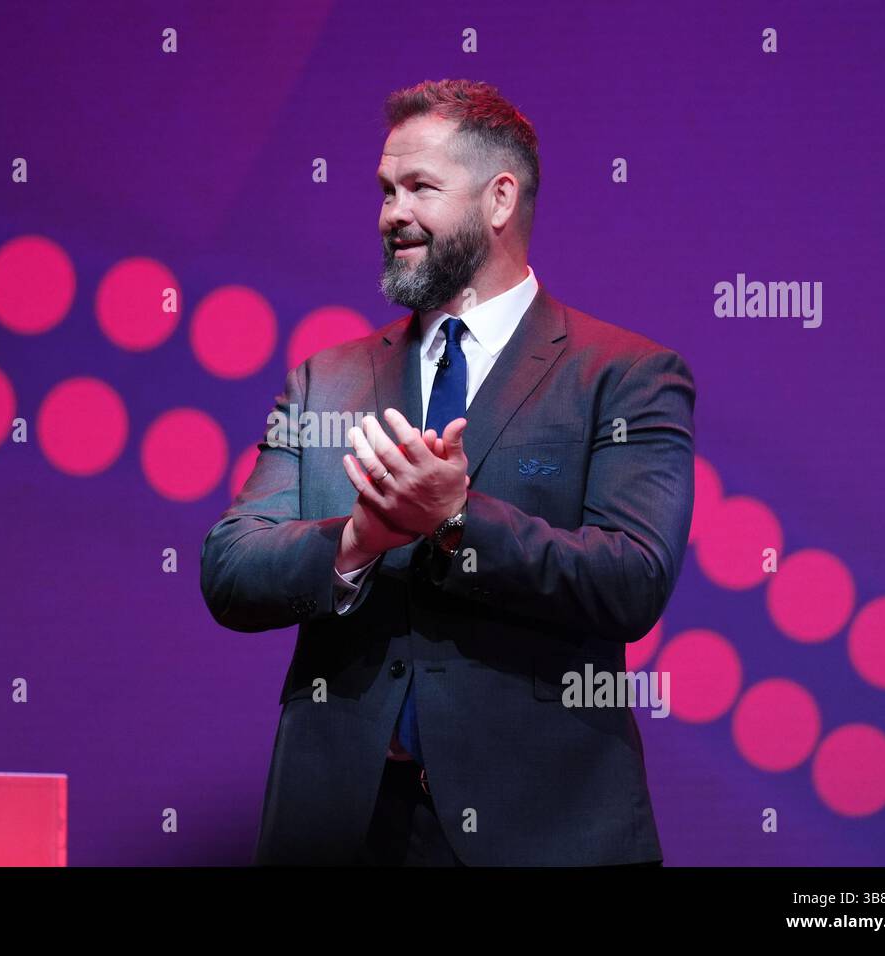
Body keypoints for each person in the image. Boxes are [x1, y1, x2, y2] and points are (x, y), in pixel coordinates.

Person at [200, 78, 695, 866]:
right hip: (342, 833)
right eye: (385, 190)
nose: (391, 214)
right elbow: (231, 570)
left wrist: (456, 521)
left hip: (545, 833)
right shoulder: (325, 379)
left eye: (420, 188)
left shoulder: (625, 376)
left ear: (500, 199)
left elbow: (632, 581)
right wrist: (359, 539)